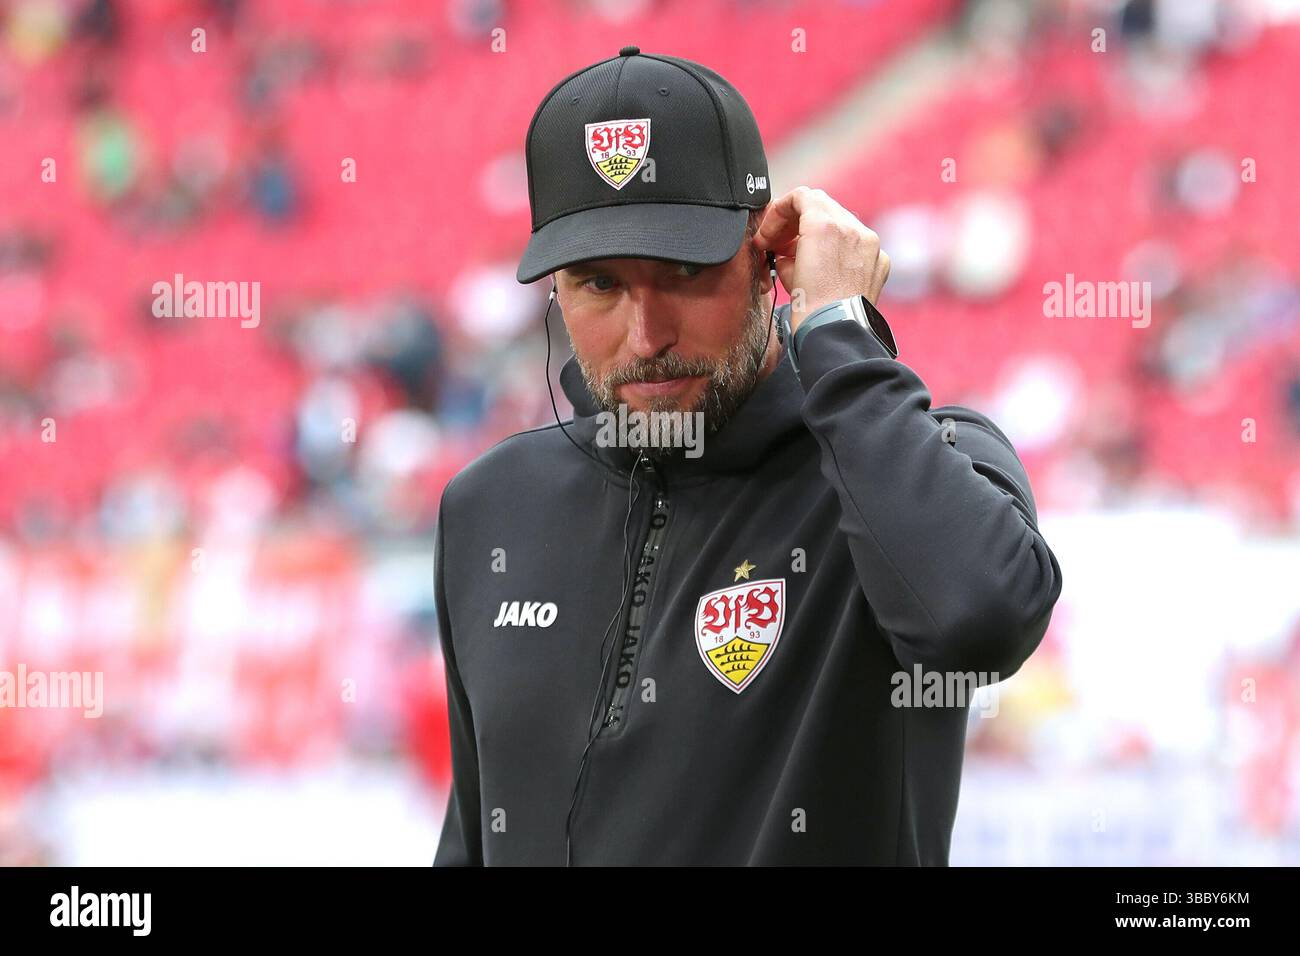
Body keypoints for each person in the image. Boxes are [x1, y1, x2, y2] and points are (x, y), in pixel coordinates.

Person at [432, 47, 1063, 865]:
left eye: (687, 272)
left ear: (770, 260)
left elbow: (983, 623)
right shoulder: (492, 504)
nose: (647, 336)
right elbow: (473, 834)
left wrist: (837, 327)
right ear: (555, 292)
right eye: (599, 285)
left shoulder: (912, 466)